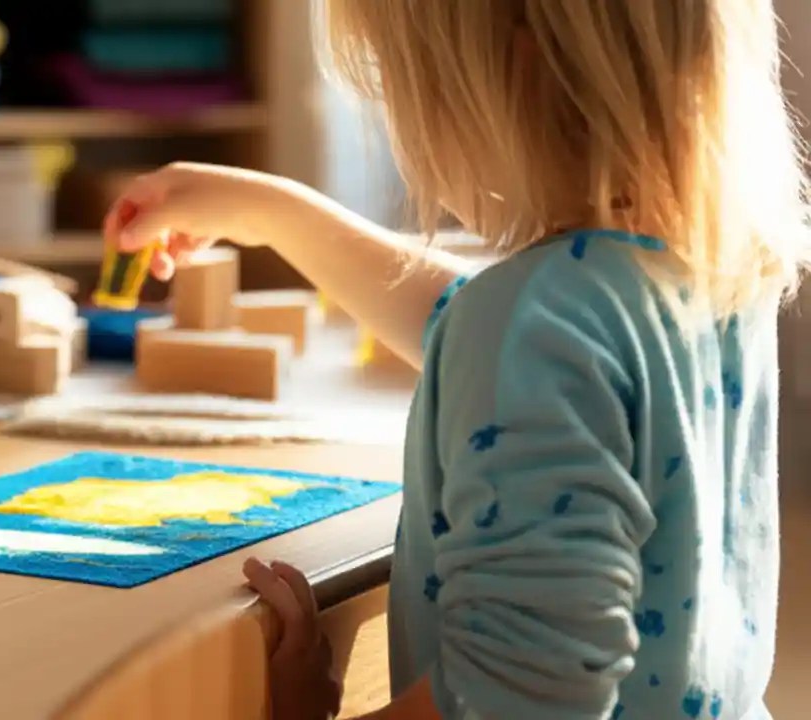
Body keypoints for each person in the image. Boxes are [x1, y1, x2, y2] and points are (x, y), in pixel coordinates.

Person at [103, 1, 808, 718]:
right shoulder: (701, 276)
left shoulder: (536, 326)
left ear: (519, 71)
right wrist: (273, 211)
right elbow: (477, 323)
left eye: (395, 81)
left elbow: (520, 697)